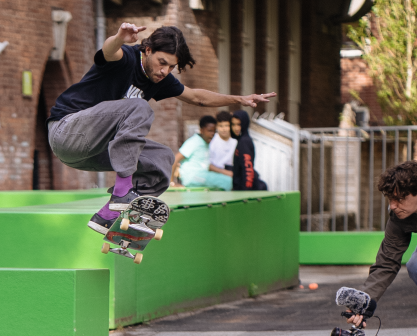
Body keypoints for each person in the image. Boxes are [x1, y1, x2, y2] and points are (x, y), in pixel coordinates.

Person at [47, 22, 276, 235]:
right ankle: (122, 191)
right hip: (66, 132)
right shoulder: (126, 58)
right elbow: (109, 51)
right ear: (147, 50)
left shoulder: (161, 80)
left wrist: (240, 99)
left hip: (90, 153)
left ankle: (110, 216)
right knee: (139, 107)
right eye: (162, 62)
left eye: (172, 67)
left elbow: (197, 97)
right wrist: (119, 38)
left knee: (163, 159)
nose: (164, 71)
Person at [345, 160, 417, 335]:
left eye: (399, 199)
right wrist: (364, 303)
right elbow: (387, 262)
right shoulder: (398, 218)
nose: (393, 206)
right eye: (390, 199)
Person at [171, 115, 216, 188]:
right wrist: (171, 183)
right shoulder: (194, 142)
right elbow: (175, 159)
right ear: (201, 130)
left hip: (201, 177)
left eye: (214, 131)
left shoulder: (205, 143)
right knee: (226, 181)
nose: (212, 134)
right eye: (210, 130)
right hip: (193, 178)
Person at [231, 110, 267, 191]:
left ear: (244, 124)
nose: (236, 128)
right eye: (233, 124)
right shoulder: (241, 140)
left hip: (244, 191)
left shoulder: (244, 142)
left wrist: (246, 194)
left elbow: (248, 170)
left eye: (239, 124)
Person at [208, 110, 236, 189]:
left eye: (226, 126)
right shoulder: (212, 141)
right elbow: (209, 165)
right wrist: (227, 173)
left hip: (232, 173)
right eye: (221, 126)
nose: (224, 129)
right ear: (216, 126)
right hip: (216, 174)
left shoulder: (235, 141)